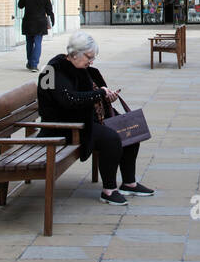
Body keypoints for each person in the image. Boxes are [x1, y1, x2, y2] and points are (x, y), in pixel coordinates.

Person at [38, 31, 153, 205]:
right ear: (75, 53)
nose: (91, 62)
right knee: (112, 138)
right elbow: (69, 100)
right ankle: (109, 190)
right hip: (66, 126)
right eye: (89, 57)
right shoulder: (53, 70)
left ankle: (129, 183)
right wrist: (99, 93)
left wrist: (105, 94)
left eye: (93, 57)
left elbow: (91, 91)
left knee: (130, 128)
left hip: (85, 119)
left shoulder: (81, 68)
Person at [17, 0, 55, 72]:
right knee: (38, 43)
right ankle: (34, 64)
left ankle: (30, 63)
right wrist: (52, 21)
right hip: (40, 22)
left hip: (28, 21)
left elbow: (20, 5)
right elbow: (49, 9)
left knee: (29, 43)